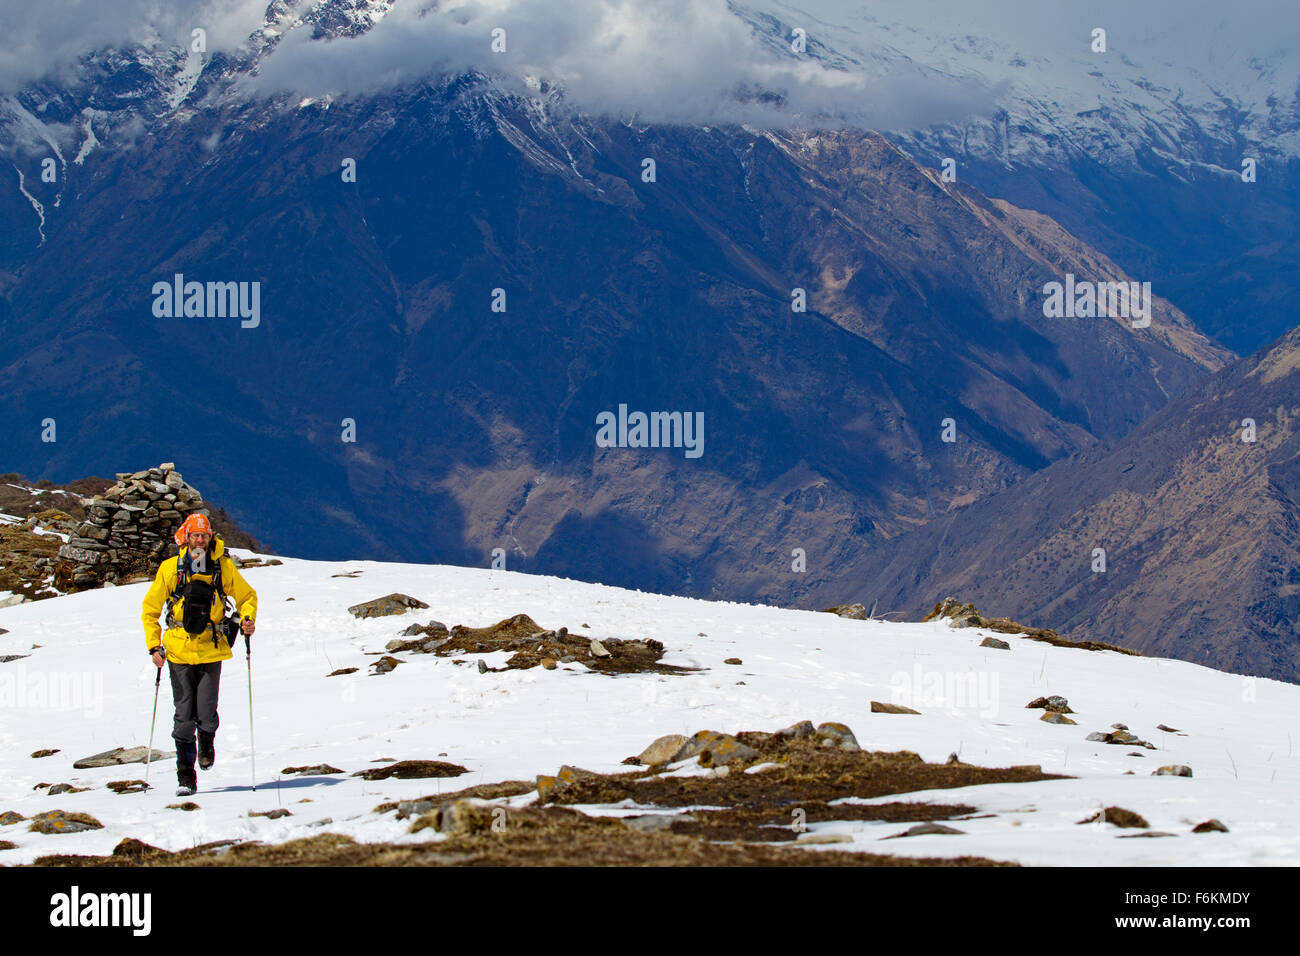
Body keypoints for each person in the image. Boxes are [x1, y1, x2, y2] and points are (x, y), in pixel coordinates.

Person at [141, 512, 257, 796]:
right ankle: (185, 776)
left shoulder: (222, 567)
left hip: (210, 649)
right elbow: (150, 610)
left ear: (210, 537)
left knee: (205, 713)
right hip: (179, 651)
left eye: (204, 536)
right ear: (187, 537)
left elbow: (246, 596)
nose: (200, 541)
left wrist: (248, 618)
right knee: (183, 716)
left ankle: (206, 742)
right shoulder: (171, 569)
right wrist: (154, 646)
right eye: (195, 535)